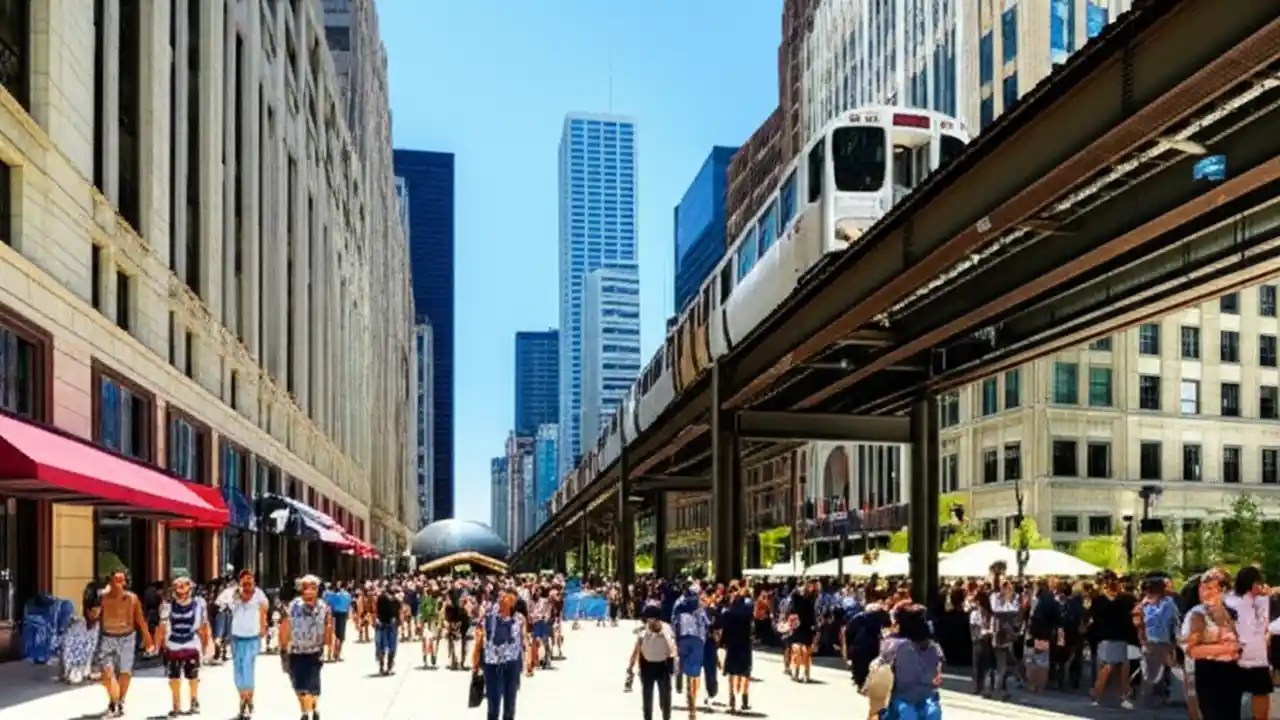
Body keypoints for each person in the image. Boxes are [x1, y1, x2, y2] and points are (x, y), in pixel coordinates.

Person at [1184, 567, 1243, 720]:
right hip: (1208, 672)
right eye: (1202, 587)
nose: (1204, 592)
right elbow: (1192, 650)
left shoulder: (1234, 611)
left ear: (1223, 590)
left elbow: (1240, 646)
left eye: (1210, 588)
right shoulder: (1197, 614)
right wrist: (1224, 649)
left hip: (1232, 672)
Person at [96, 569, 155, 718]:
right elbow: (94, 615)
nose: (117, 584)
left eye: (120, 580)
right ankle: (115, 701)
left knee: (125, 672)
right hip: (108, 637)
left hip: (127, 637)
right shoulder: (103, 598)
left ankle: (118, 702)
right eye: (114, 580)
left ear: (125, 583)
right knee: (107, 672)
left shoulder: (132, 599)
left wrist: (148, 638)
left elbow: (140, 619)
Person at [279, 575, 334, 720]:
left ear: (317, 590)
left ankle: (313, 707)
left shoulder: (323, 607)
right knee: (299, 686)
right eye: (305, 588)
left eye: (312, 588)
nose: (308, 591)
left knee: (313, 688)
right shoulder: (293, 605)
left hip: (315, 652)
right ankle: (305, 713)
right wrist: (283, 649)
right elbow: (285, 626)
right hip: (296, 652)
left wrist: (329, 647)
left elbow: (328, 627)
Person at [157, 576, 210, 718]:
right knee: (173, 677)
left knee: (193, 675)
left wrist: (206, 644)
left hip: (191, 644)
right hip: (173, 645)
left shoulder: (199, 604)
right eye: (178, 588)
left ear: (190, 589)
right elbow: (162, 626)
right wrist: (159, 645)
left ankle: (193, 700)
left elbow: (203, 626)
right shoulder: (167, 606)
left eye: (184, 587)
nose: (181, 591)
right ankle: (176, 705)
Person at [473, 587, 525, 720]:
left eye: (512, 600)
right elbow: (479, 638)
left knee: (509, 702)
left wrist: (525, 662)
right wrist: (476, 661)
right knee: (494, 703)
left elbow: (522, 642)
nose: (508, 602)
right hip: (493, 664)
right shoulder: (489, 617)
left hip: (511, 663)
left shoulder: (519, 618)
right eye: (504, 599)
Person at [1226, 565, 1271, 720]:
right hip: (1245, 654)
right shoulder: (1234, 601)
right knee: (1256, 693)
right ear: (1253, 584)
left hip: (1247, 655)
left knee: (1249, 693)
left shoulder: (1232, 599)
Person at [228, 570, 269, 719]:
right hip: (237, 636)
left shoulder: (259, 594)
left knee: (248, 668)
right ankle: (243, 698)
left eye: (250, 580)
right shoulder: (234, 594)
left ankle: (248, 699)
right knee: (238, 669)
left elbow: (265, 608)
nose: (247, 583)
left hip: (252, 636)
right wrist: (239, 595)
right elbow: (230, 607)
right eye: (244, 581)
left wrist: (263, 626)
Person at [629, 604, 677, 720]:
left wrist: (675, 664)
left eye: (650, 619)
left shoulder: (667, 630)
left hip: (663, 666)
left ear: (657, 619)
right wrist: (630, 666)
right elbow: (637, 649)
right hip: (647, 666)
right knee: (647, 698)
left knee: (665, 699)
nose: (648, 622)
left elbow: (673, 649)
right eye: (647, 619)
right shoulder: (644, 632)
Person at [321, 581, 352, 662]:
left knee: (333, 634)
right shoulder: (346, 595)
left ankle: (331, 653)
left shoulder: (330, 595)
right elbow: (349, 605)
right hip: (342, 615)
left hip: (333, 615)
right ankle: (337, 654)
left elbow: (326, 602)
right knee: (340, 636)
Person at [375, 583, 401, 675]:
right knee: (391, 647)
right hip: (388, 625)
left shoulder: (381, 598)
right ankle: (387, 667)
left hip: (384, 624)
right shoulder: (396, 601)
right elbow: (398, 614)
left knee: (382, 646)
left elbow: (377, 611)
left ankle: (383, 667)